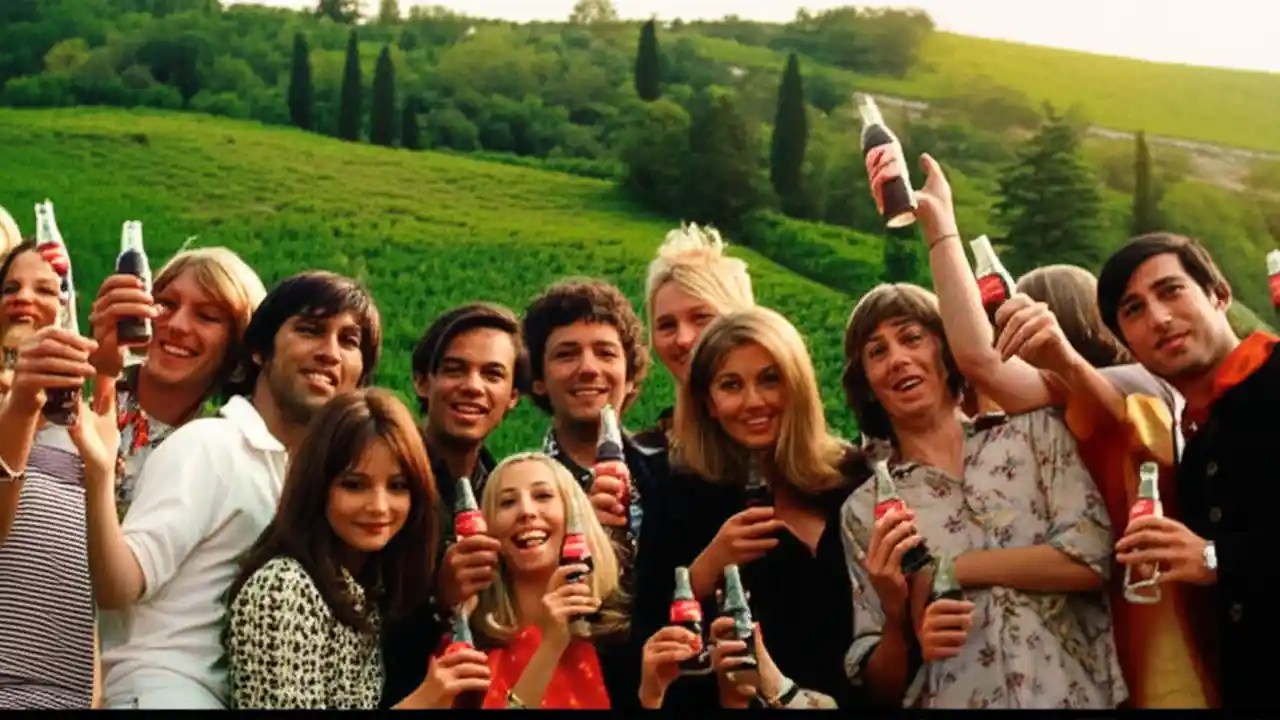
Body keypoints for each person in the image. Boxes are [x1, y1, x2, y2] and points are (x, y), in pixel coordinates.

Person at [866, 152, 1193, 707]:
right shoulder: (1063, 416)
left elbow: (980, 361)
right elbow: (982, 364)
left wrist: (942, 228)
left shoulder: (1133, 387)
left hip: (1164, 638)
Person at [90, 271, 381, 708]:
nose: (328, 353)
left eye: (349, 341)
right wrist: (97, 474)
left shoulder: (312, 483)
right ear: (260, 351)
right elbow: (118, 586)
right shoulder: (213, 446)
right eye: (310, 330)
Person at [839, 282, 1125, 708]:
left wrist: (946, 571)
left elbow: (1092, 557)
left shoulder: (1035, 433)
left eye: (912, 337)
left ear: (948, 354)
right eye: (876, 352)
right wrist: (906, 628)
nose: (897, 359)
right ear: (866, 384)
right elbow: (880, 690)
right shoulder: (865, 509)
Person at [641, 306, 867, 709]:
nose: (754, 401)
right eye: (730, 385)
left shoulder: (851, 478)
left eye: (769, 379)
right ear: (708, 402)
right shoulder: (680, 492)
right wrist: (708, 566)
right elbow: (647, 635)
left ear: (797, 383)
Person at [1100, 232, 1280, 710]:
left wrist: (1215, 558)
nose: (1159, 318)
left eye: (1171, 291)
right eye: (1133, 310)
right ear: (1127, 346)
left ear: (1219, 295)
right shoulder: (1195, 451)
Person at [225, 388, 491, 709]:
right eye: (354, 485)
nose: (379, 507)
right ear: (318, 488)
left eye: (397, 486)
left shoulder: (370, 581)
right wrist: (426, 699)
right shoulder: (283, 589)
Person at [381, 302, 527, 706]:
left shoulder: (506, 494)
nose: (473, 386)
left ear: (513, 395)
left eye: (493, 374)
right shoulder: (380, 479)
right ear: (422, 381)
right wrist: (437, 599)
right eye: (455, 369)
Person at [87, 247, 267, 519]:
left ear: (239, 351)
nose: (178, 325)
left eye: (207, 316)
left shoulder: (221, 455)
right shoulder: (77, 396)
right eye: (167, 304)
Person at [0, 241, 100, 708]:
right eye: (9, 287)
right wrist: (19, 406)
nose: (23, 296)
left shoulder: (96, 417)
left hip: (73, 688)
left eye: (47, 288)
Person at [462, 452, 627, 708]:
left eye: (543, 496)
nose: (526, 512)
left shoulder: (619, 634)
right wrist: (550, 645)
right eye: (507, 503)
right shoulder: (468, 642)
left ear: (575, 515)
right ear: (488, 529)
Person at [637, 223, 754, 446]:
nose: (683, 339)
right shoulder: (644, 462)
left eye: (701, 318)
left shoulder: (794, 454)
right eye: (667, 325)